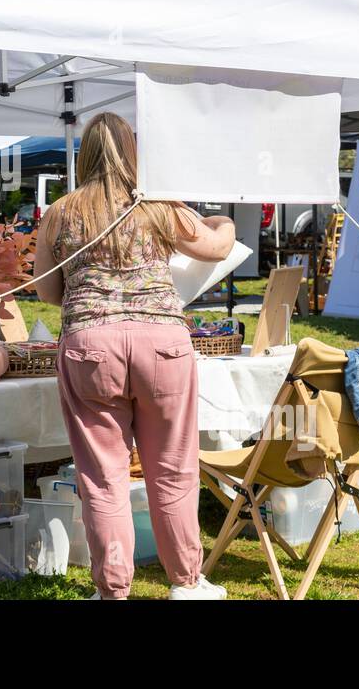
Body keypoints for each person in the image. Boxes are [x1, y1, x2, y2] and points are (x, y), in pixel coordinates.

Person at [32, 112, 236, 601]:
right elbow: (217, 247)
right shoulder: (157, 204)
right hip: (161, 343)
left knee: (103, 479)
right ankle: (187, 583)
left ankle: (113, 591)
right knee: (173, 469)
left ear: (85, 156)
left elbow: (45, 289)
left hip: (90, 346)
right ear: (134, 152)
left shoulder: (60, 212)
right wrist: (222, 218)